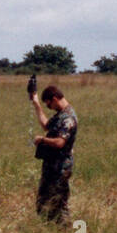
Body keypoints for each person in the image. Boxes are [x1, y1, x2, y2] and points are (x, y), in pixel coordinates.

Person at [30, 84, 77, 224]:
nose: (49, 108)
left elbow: (60, 143)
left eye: (49, 105)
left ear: (55, 99)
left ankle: (65, 232)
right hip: (51, 165)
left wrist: (42, 139)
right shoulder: (60, 115)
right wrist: (36, 104)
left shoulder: (68, 118)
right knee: (43, 202)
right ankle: (48, 230)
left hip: (61, 167)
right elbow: (46, 125)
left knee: (59, 203)